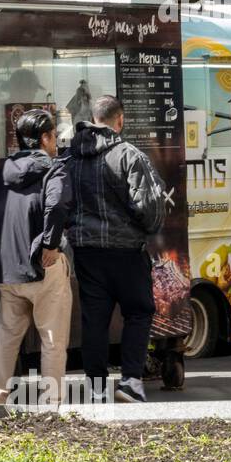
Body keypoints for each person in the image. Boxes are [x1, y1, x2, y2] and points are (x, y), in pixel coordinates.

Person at [66, 94, 165, 404]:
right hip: (126, 253)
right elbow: (149, 208)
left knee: (94, 319)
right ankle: (131, 381)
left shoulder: (72, 157)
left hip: (86, 253)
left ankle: (96, 387)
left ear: (94, 119)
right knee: (139, 312)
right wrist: (146, 227)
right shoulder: (130, 156)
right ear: (119, 120)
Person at [0, 108, 73, 406]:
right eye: (54, 137)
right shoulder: (54, 168)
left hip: (9, 268)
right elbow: (57, 206)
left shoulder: (4, 171)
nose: (57, 143)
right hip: (43, 267)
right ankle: (51, 406)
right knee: (52, 342)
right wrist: (50, 245)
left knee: (6, 340)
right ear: (45, 137)